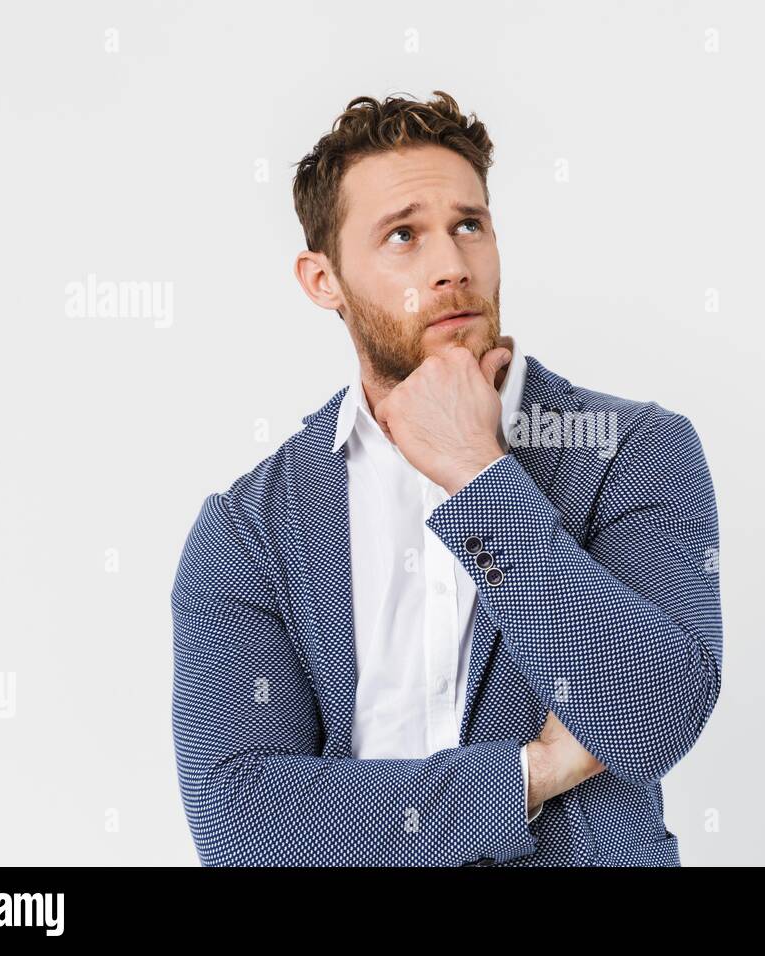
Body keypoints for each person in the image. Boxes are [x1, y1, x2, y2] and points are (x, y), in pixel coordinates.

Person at [170, 90, 723, 866]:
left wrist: (476, 472)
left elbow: (652, 714)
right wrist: (526, 776)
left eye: (470, 225)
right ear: (322, 279)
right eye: (404, 236)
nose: (453, 268)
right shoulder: (251, 525)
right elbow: (242, 825)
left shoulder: (633, 449)